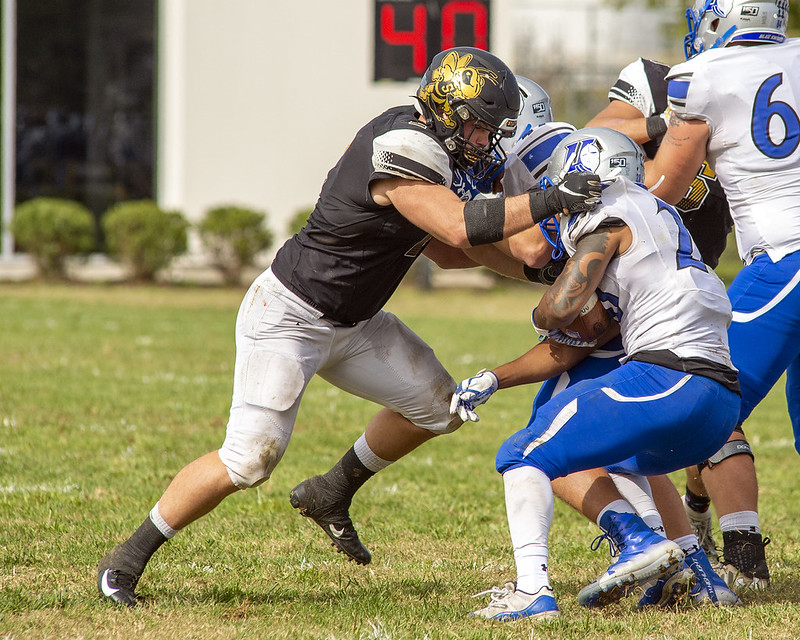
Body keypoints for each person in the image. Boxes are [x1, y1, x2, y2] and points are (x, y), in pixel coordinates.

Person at [95, 47, 601, 606]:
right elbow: (461, 229)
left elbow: (454, 255)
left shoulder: (436, 149)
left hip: (357, 323)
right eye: (479, 128)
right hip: (289, 314)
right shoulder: (403, 145)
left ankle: (332, 492)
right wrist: (554, 196)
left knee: (440, 408)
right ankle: (125, 559)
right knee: (249, 459)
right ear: (447, 109)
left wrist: (549, 274)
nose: (484, 143)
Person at [452, 126, 741, 621]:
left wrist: (540, 313)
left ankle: (541, 589)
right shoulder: (658, 224)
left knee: (523, 452)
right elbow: (574, 347)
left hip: (668, 377)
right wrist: (495, 377)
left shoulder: (610, 219)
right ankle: (699, 577)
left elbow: (558, 311)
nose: (561, 208)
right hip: (719, 401)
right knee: (616, 457)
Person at [649, 0, 798, 590]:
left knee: (706, 397)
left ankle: (741, 559)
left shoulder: (703, 77)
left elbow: (666, 186)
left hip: (785, 261)